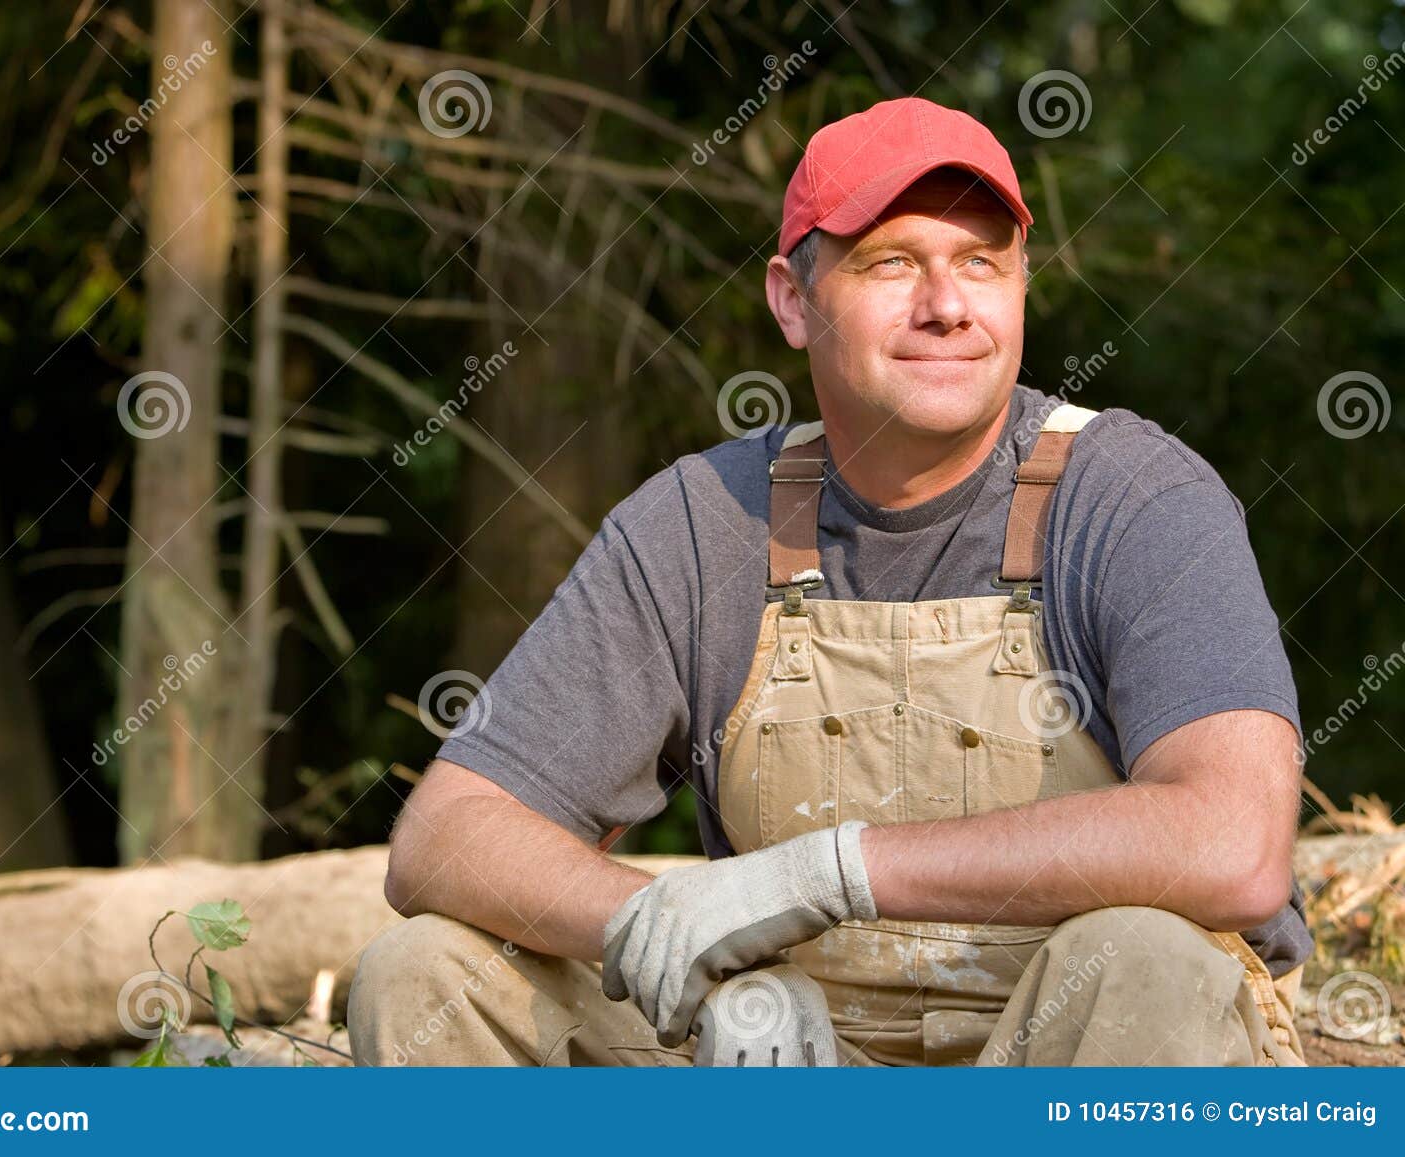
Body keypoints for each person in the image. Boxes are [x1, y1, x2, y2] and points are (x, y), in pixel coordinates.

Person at [347, 96, 1310, 1067]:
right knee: (427, 970)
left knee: (1143, 953)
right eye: (891, 261)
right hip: (783, 1064)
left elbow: (1233, 843)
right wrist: (683, 941)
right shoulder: (705, 521)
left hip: (1071, 1057)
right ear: (791, 299)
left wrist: (828, 869)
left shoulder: (1131, 497)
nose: (946, 303)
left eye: (981, 261)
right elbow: (445, 833)